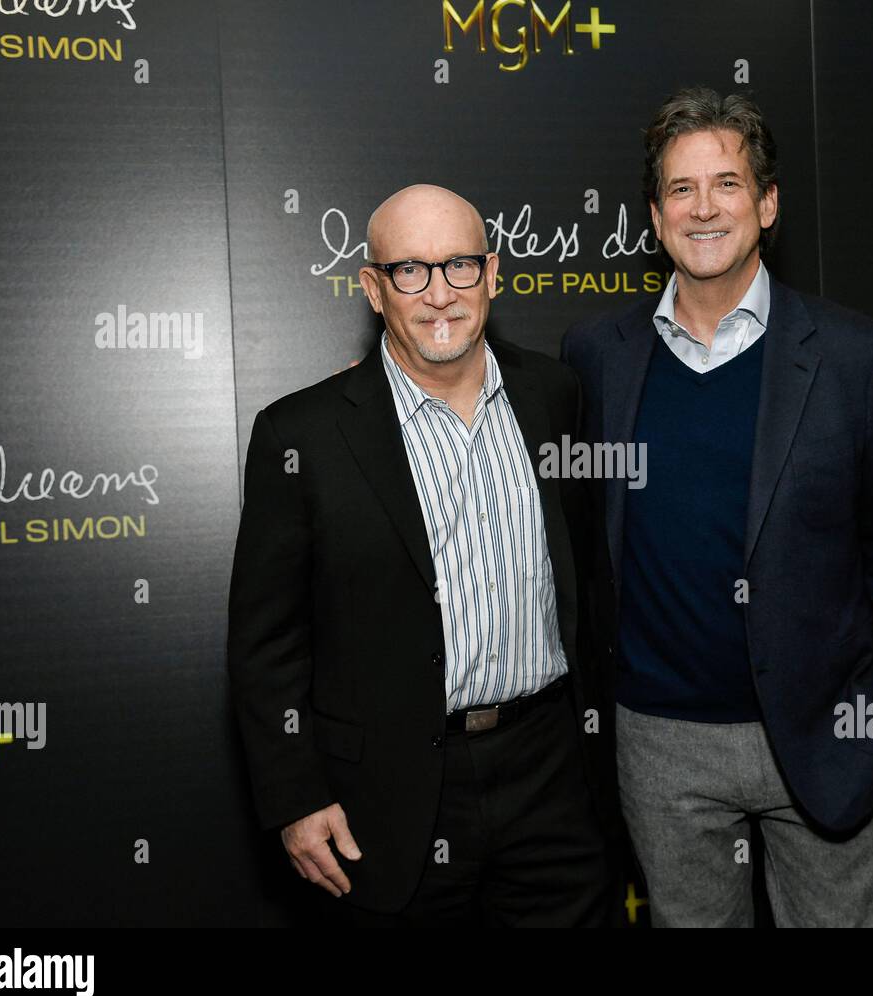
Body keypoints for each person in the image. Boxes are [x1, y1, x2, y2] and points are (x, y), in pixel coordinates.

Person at [560, 87, 873, 927]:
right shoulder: (596, 356)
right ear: (655, 216)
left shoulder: (852, 354)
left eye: (727, 184)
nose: (704, 209)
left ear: (766, 205)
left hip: (830, 729)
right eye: (682, 190)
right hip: (660, 742)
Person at [228, 184, 614, 926]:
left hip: (552, 775)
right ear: (374, 288)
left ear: (493, 274)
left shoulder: (555, 396)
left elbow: (590, 578)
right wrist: (296, 795)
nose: (439, 293)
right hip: (393, 792)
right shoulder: (299, 436)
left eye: (460, 265)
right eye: (410, 270)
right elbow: (265, 644)